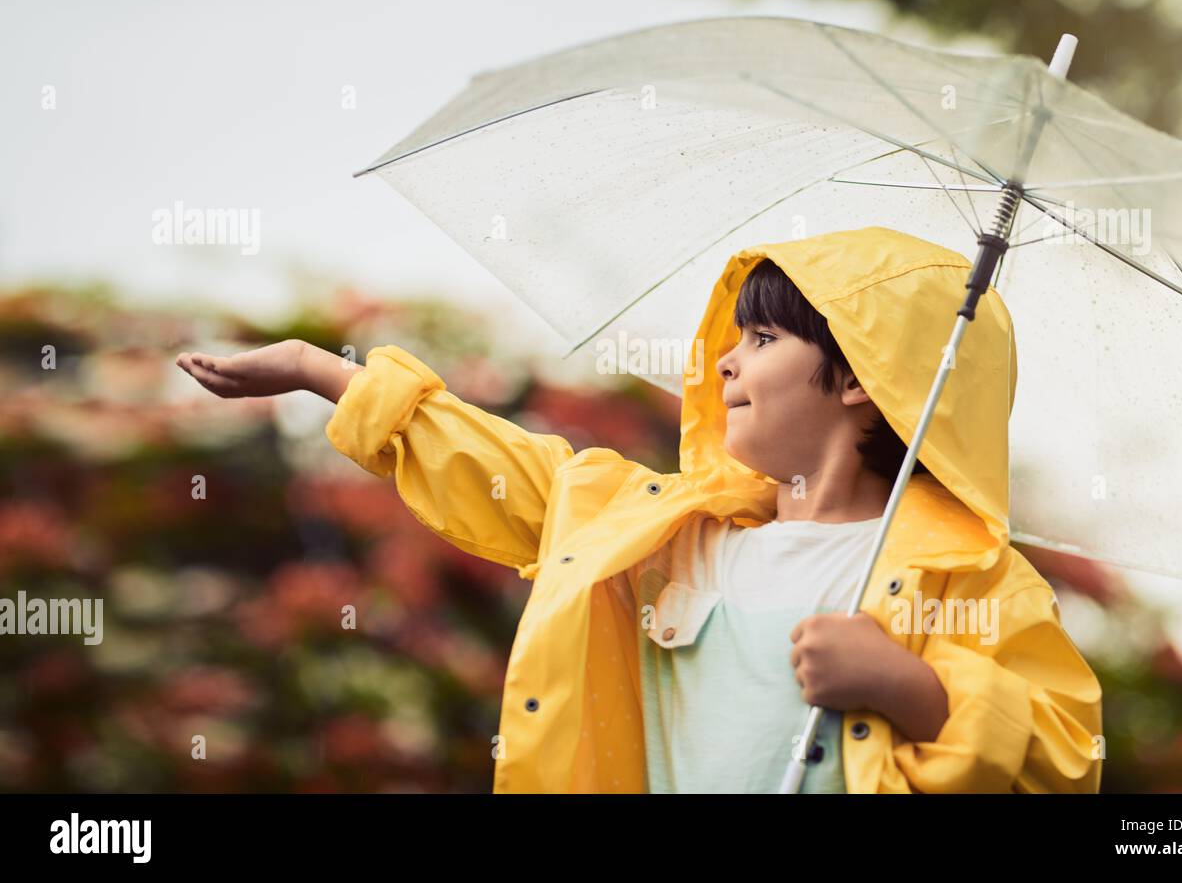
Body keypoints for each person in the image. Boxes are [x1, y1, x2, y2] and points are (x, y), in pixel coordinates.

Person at [176, 225, 1104, 793]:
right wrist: (318, 371)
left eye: (766, 336)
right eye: (735, 338)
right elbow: (505, 467)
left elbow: (1064, 760)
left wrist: (914, 688)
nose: (729, 361)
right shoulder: (663, 533)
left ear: (863, 377)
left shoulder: (973, 577)